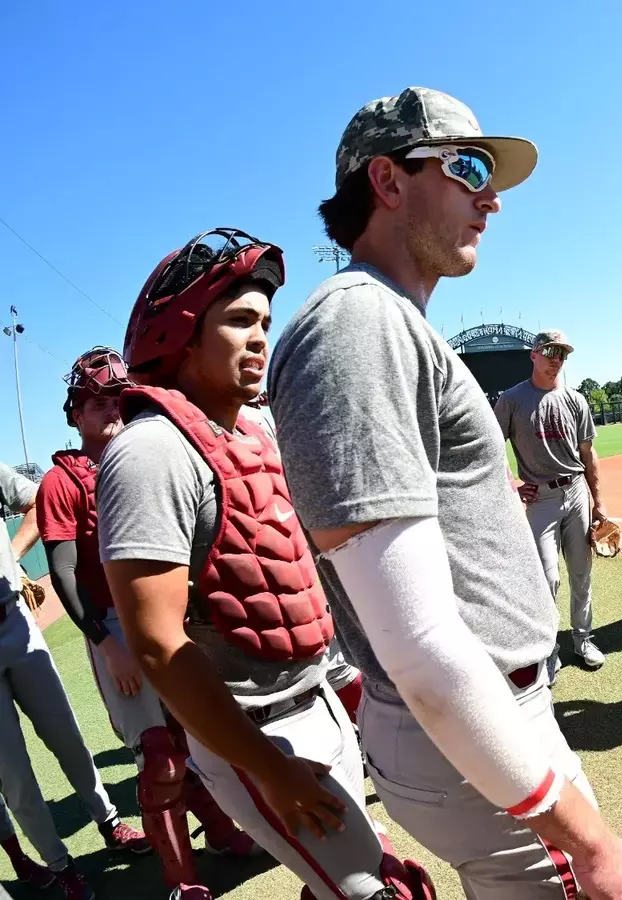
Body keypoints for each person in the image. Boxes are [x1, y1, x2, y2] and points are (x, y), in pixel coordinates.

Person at [268, 86, 622, 899]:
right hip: (472, 732)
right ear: (388, 180)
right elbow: (421, 648)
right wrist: (587, 843)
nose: (492, 198)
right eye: (468, 168)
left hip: (483, 727)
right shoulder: (358, 324)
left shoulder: (387, 322)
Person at [99, 227, 435, 900]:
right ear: (180, 333)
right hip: (255, 732)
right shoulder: (150, 452)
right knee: (384, 892)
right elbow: (157, 645)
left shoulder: (251, 433)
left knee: (361, 879)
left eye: (265, 323)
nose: (260, 338)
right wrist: (270, 770)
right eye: (239, 321)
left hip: (319, 700)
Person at [39, 347, 256, 899]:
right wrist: (106, 644)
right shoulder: (62, 481)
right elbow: (64, 572)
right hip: (115, 625)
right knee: (159, 757)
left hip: (175, 614)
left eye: (117, 398)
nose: (111, 409)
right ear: (75, 414)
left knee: (200, 735)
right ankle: (180, 877)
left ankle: (221, 832)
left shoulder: (149, 455)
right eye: (97, 402)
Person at [0, 459, 149, 900]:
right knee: (14, 772)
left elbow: (36, 502)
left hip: (14, 621)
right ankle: (59, 863)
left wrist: (10, 557)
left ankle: (109, 822)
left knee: (65, 734)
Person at [495, 330, 609, 669]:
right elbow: (492, 448)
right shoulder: (512, 400)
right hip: (540, 499)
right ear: (533, 354)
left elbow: (588, 454)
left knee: (581, 572)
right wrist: (512, 486)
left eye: (562, 353)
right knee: (547, 578)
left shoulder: (576, 400)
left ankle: (583, 639)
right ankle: (547, 650)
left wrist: (599, 503)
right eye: (549, 351)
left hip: (575, 492)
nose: (556, 359)